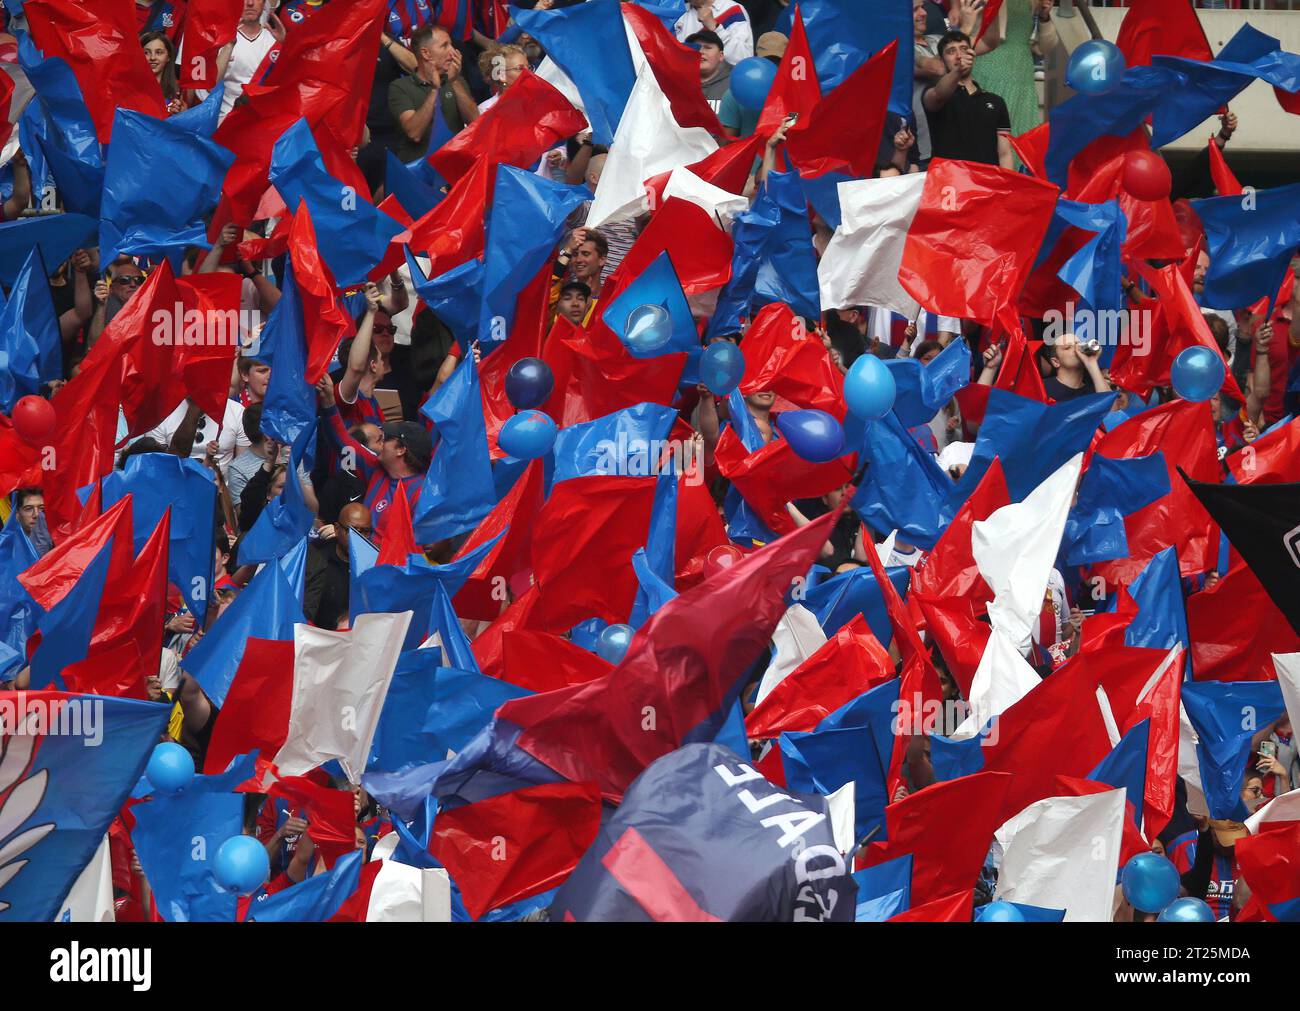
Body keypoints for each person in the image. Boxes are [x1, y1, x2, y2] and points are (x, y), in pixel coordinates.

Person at [912, 0, 1001, 164]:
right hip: (924, 143)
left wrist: (992, 9)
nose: (924, 13)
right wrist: (964, 30)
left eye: (923, 7)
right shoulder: (902, 48)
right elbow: (939, 67)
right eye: (915, 10)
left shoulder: (937, 39)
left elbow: (989, 42)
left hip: (957, 128)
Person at [922, 29, 1014, 169]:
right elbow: (938, 95)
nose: (959, 56)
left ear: (972, 55)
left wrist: (1007, 186)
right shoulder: (933, 92)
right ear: (942, 60)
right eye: (951, 51)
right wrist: (957, 71)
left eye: (964, 49)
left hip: (986, 183)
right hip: (949, 184)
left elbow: (1005, 153)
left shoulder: (996, 101)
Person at [388, 23, 479, 163]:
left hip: (453, 170)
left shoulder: (456, 81)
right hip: (419, 175)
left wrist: (453, 81)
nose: (452, 51)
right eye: (444, 46)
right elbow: (414, 133)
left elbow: (474, 121)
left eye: (451, 45)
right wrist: (434, 90)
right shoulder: (400, 87)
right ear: (426, 53)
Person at [971, 0, 1057, 140]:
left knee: (1021, 129)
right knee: (991, 126)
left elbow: (1046, 48)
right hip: (989, 61)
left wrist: (1044, 16)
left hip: (1021, 69)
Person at [211, 0, 284, 122]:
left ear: (264, 3)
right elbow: (210, 86)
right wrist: (228, 45)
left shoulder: (275, 39)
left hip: (261, 123)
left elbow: (285, 86)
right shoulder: (220, 37)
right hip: (225, 122)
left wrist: (285, 46)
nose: (250, 3)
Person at [304, 502, 372, 630]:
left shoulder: (374, 566)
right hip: (317, 637)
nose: (359, 538)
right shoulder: (317, 559)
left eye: (365, 532)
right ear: (336, 529)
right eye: (351, 531)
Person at [718, 31, 784, 139]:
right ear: (756, 59)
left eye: (777, 61)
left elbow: (794, 130)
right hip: (750, 155)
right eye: (768, 60)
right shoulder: (735, 94)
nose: (772, 66)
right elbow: (725, 144)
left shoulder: (794, 95)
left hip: (782, 155)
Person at [674, 0, 753, 66]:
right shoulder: (678, 19)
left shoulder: (732, 9)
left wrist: (713, 25)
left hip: (727, 82)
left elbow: (745, 60)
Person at [687, 29, 732, 112]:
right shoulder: (678, 83)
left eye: (707, 47)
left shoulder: (734, 84)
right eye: (696, 47)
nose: (700, 52)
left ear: (721, 56)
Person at [141, 31, 184, 115]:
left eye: (159, 52)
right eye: (146, 53)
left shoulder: (178, 91)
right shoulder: (128, 90)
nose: (152, 57)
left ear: (168, 56)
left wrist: (182, 115)